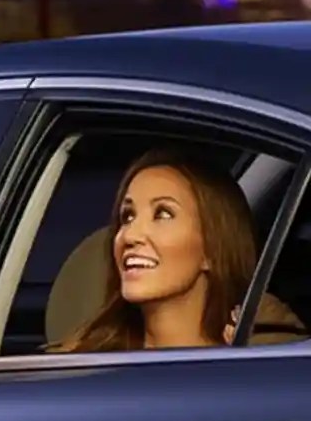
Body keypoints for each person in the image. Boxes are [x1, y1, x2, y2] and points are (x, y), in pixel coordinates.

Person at [50, 149, 304, 353]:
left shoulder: (267, 361)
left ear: (212, 251)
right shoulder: (81, 370)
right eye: (127, 217)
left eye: (162, 213)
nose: (130, 235)